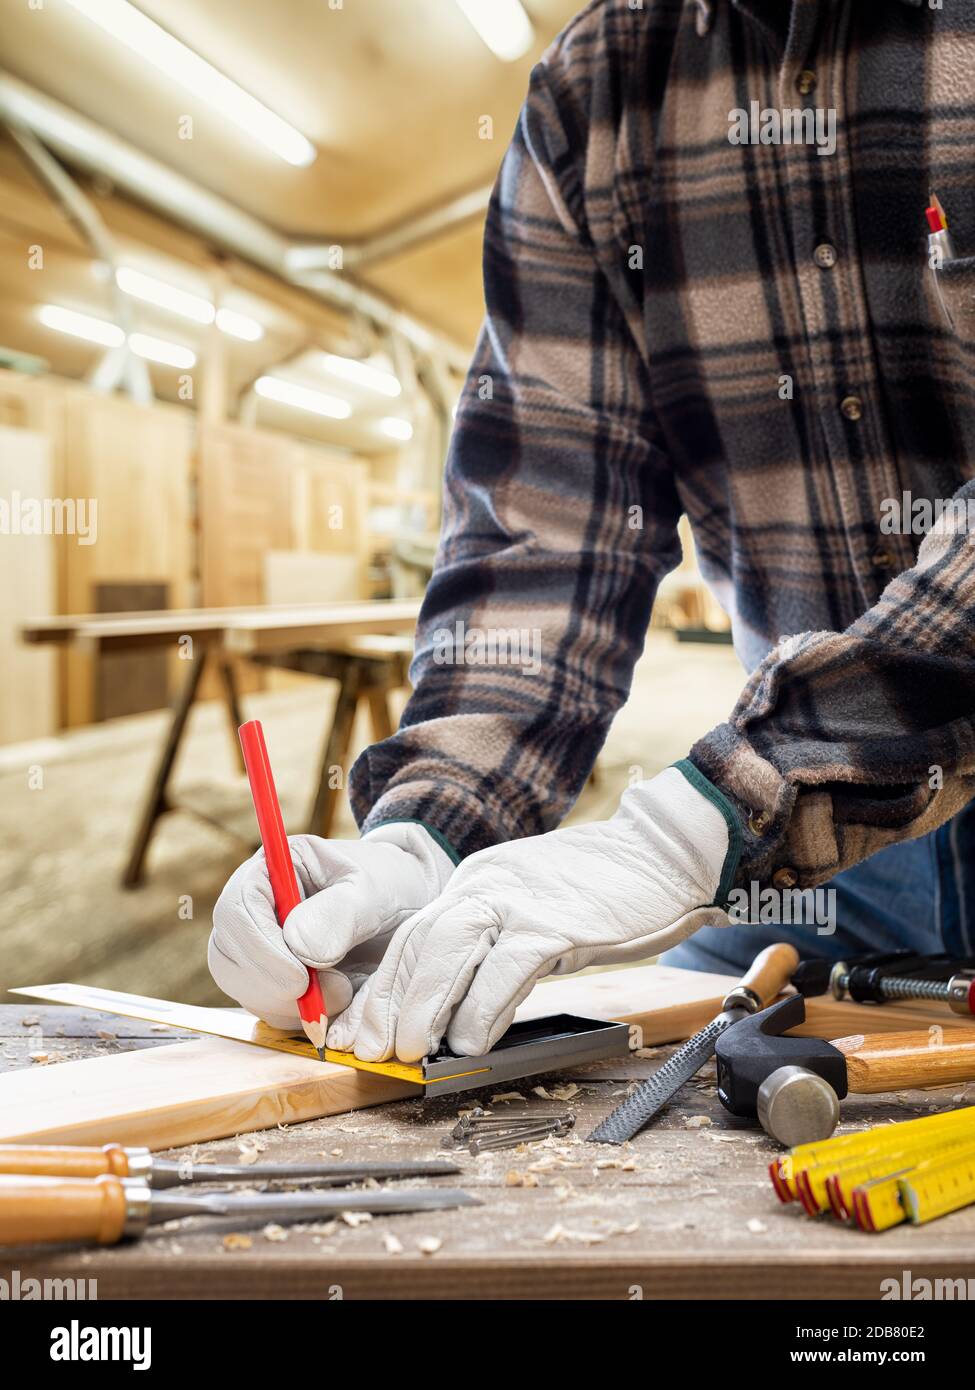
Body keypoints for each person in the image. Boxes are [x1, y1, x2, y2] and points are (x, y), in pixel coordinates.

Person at [210, 0, 975, 1065]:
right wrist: (425, 839)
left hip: (777, 796)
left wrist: (695, 826)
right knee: (695, 1073)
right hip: (820, 845)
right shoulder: (597, 95)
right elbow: (547, 536)